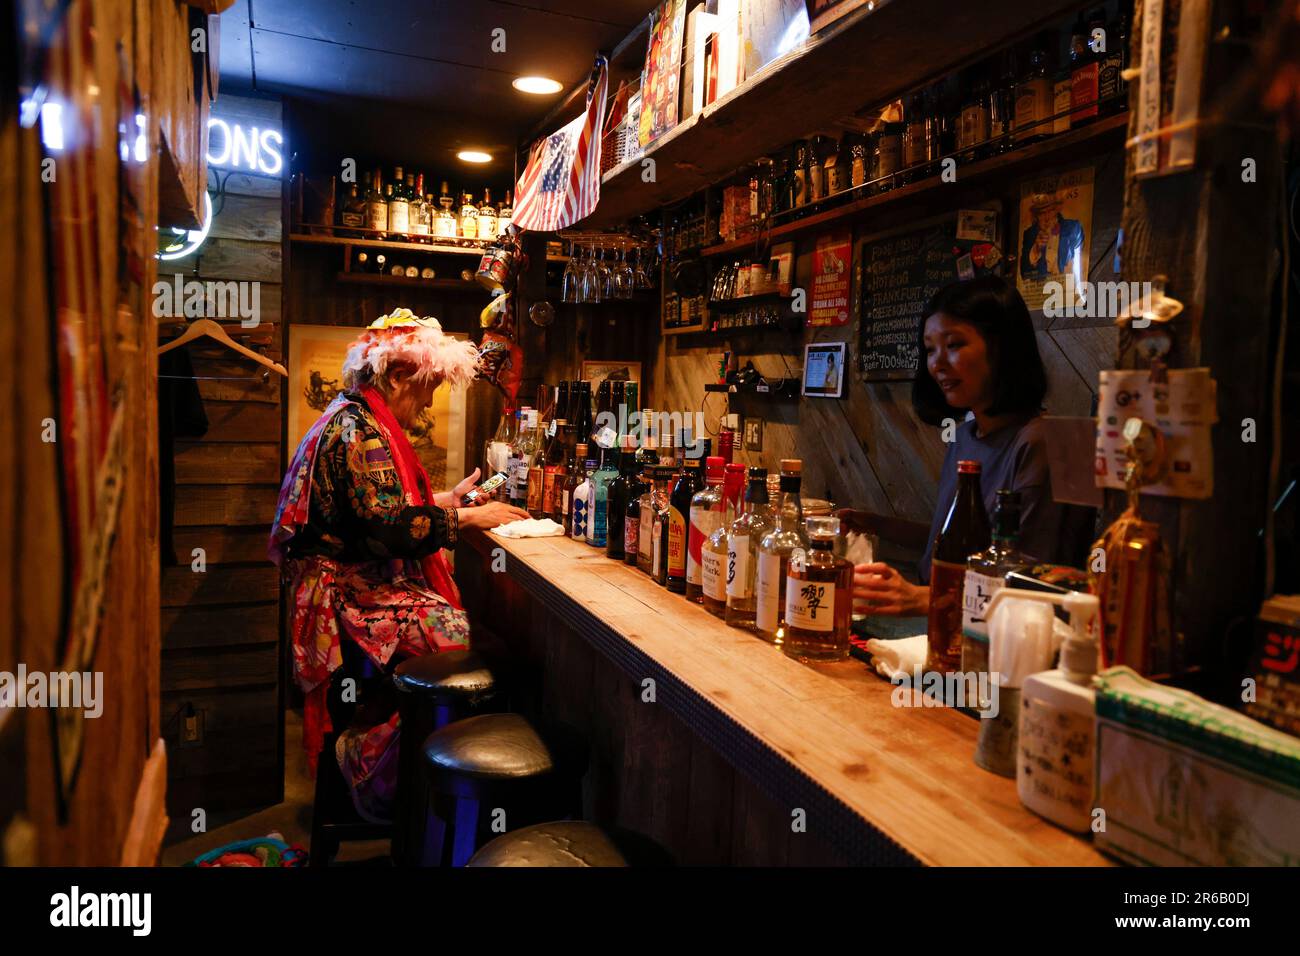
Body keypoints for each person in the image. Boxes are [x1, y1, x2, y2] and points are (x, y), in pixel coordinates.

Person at [268, 309, 528, 822]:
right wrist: (468, 519)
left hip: (357, 581)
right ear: (395, 376)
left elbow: (383, 510)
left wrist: (448, 504)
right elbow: (384, 530)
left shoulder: (356, 417)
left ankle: (428, 789)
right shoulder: (358, 430)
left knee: (477, 648)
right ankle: (372, 764)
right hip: (348, 595)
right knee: (472, 649)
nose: (431, 400)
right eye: (427, 386)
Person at [851, 277, 1092, 616]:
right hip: (946, 625)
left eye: (954, 344)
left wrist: (922, 598)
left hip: (1010, 647)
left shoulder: (1056, 443)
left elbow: (1041, 583)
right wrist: (876, 524)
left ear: (1002, 348)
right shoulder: (967, 436)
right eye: (930, 348)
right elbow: (959, 548)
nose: (937, 364)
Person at [1019, 193, 1084, 280]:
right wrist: (1036, 248)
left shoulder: (1073, 227)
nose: (1046, 218)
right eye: (1042, 213)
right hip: (1042, 289)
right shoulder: (1030, 234)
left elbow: (1080, 259)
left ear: (1057, 210)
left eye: (1050, 211)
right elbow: (1024, 273)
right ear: (1037, 216)